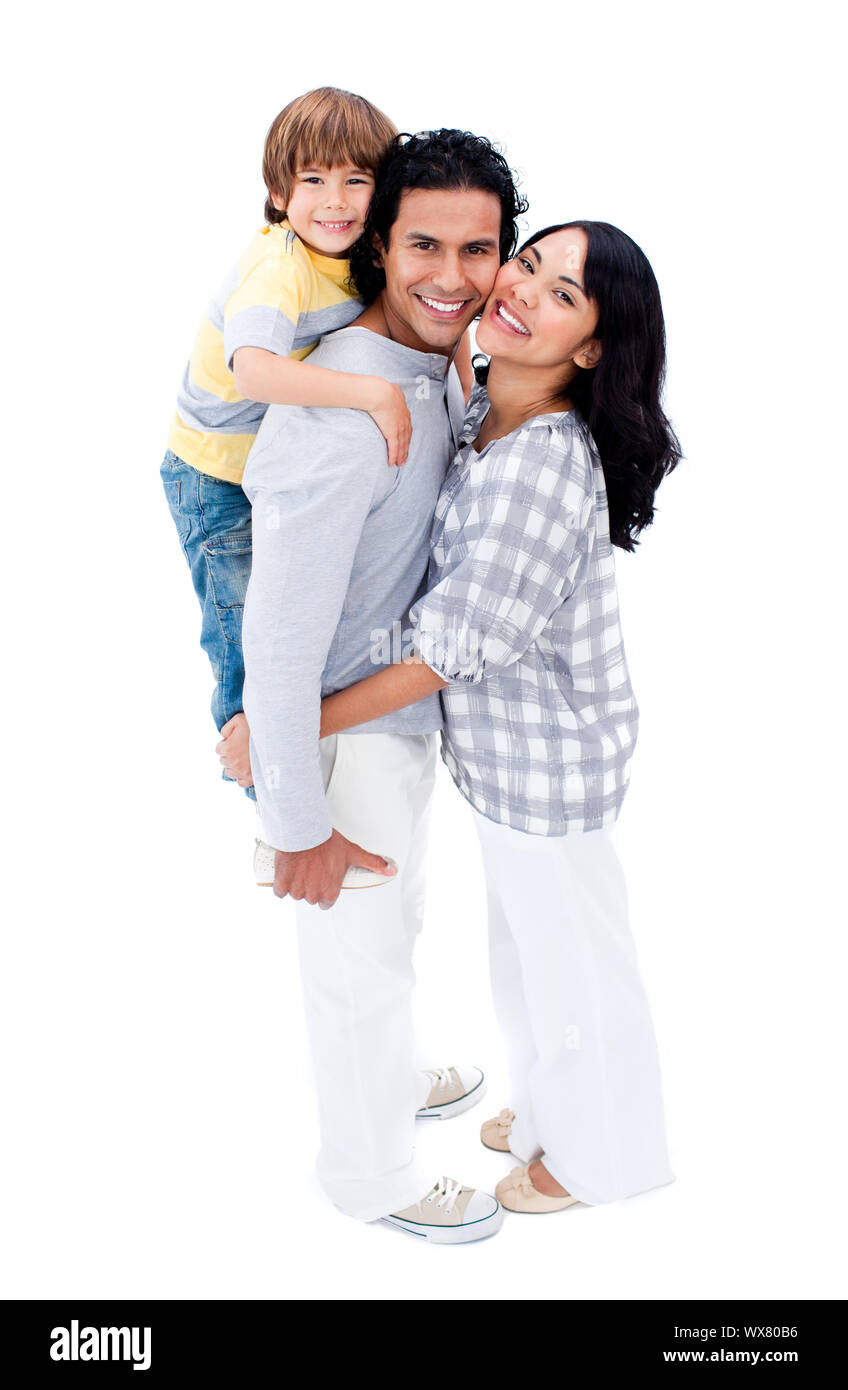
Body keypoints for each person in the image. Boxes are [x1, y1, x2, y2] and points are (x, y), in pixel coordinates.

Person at [313, 221, 682, 1215]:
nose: (519, 290)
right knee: (523, 954)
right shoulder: (489, 408)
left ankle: (602, 1157)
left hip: (550, 765)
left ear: (592, 346)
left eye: (561, 294)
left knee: (573, 971)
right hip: (509, 762)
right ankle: (545, 1113)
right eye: (526, 263)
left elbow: (448, 647)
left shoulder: (540, 465)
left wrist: (307, 715)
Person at [239, 131, 528, 1243]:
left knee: (392, 922)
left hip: (392, 716)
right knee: (353, 956)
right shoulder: (343, 407)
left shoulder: (426, 363)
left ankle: (394, 1074)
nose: (450, 277)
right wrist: (294, 820)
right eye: (421, 244)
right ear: (375, 242)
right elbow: (276, 630)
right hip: (337, 733)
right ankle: (370, 1175)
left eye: (477, 248)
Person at [160, 87, 407, 774]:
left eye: (357, 180)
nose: (336, 200)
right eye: (314, 179)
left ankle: (294, 772)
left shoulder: (359, 257)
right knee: (247, 640)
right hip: (212, 475)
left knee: (294, 628)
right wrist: (373, 395)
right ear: (278, 193)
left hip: (262, 465)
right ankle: (270, 807)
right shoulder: (280, 268)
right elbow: (256, 374)